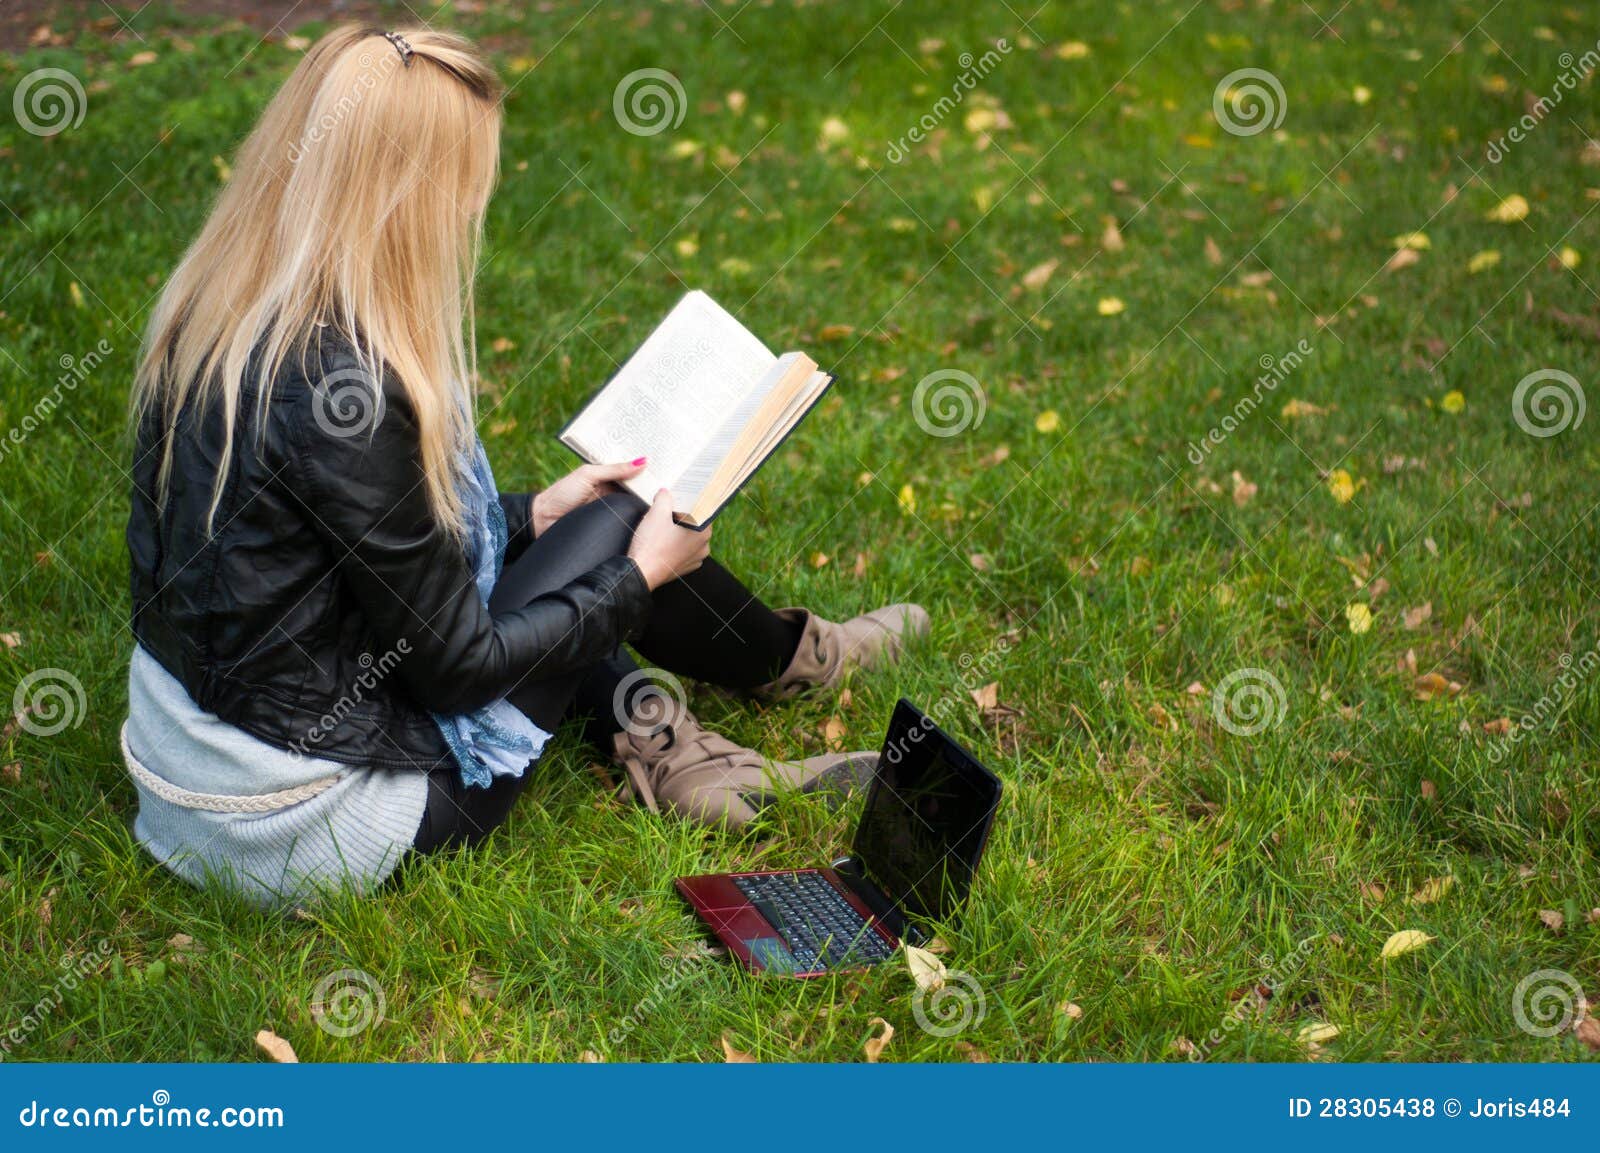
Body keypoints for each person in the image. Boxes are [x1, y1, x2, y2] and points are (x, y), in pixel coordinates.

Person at [121, 26, 927, 906]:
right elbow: (459, 669)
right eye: (467, 185)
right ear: (403, 197)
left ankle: (685, 728)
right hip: (306, 825)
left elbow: (345, 563)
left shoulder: (213, 316)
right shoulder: (346, 390)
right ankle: (786, 662)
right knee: (628, 525)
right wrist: (637, 576)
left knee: (587, 524)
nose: (475, 210)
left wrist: (527, 517)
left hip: (187, 769)